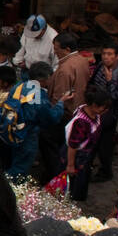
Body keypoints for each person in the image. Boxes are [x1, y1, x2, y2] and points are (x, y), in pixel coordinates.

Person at [0, 62, 66, 180]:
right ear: (45, 79)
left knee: (14, 160)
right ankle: (10, 190)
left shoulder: (19, 86)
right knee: (20, 169)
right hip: (26, 135)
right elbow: (50, 118)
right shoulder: (38, 96)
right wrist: (61, 103)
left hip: (11, 130)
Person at [42, 32, 91, 180]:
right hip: (78, 109)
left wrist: (51, 113)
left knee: (49, 141)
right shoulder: (82, 60)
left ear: (67, 49)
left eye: (56, 48)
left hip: (66, 113)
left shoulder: (65, 69)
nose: (55, 51)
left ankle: (54, 174)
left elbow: (58, 98)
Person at [89, 40, 118, 183]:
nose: (105, 57)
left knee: (104, 145)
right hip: (97, 108)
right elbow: (93, 82)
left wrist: (110, 81)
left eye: (109, 54)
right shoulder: (101, 65)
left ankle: (105, 172)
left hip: (109, 113)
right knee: (95, 140)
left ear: (117, 56)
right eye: (104, 53)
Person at [65, 85, 112, 201]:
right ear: (94, 105)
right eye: (104, 108)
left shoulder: (91, 112)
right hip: (77, 157)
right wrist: (70, 165)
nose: (105, 111)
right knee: (73, 184)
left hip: (85, 156)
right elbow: (73, 145)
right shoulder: (81, 122)